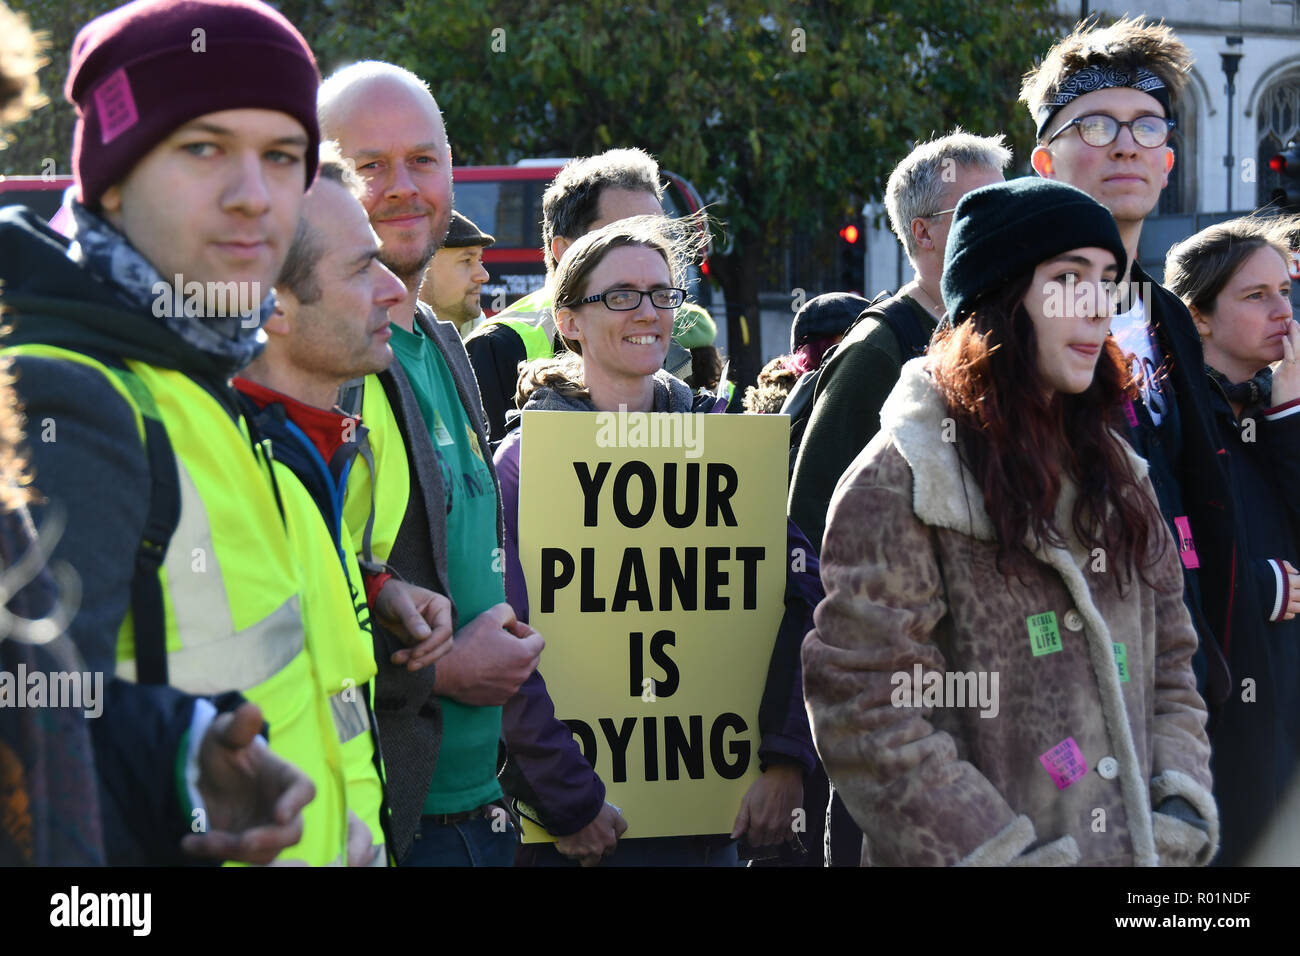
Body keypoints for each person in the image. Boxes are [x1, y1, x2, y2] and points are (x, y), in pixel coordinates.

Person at [0, 0, 374, 866]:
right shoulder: (67, 394)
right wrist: (180, 768)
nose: (254, 196)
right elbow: (33, 765)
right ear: (114, 178)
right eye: (202, 148)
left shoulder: (193, 371)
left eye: (282, 157)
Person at [802, 178, 1217, 866]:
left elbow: (1172, 659)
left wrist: (1176, 804)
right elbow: (867, 712)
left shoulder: (1118, 470)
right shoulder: (904, 477)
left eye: (1108, 280)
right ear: (1000, 297)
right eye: (1067, 279)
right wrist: (999, 855)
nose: (1098, 306)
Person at [494, 214, 819, 866]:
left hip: (708, 826)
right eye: (620, 295)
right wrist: (570, 800)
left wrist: (785, 760)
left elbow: (804, 595)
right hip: (572, 837)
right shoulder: (523, 463)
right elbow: (501, 642)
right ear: (568, 321)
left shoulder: (722, 450)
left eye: (662, 294)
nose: (647, 312)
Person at [319, 60, 543, 866]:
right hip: (389, 822)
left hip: (483, 807)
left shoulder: (444, 343)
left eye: (421, 160)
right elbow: (293, 598)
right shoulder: (322, 360)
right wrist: (443, 671)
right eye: (367, 166)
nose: (401, 187)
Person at [234, 146, 459, 863]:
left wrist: (375, 584)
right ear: (273, 307)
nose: (395, 291)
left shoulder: (309, 449)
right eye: (363, 268)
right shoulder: (230, 468)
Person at [1021, 15, 1237, 707]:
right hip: (1060, 704)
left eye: (1147, 127)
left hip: (1180, 693)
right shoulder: (1012, 314)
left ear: (1168, 162)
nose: (1125, 146)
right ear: (1045, 162)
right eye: (1095, 126)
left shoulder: (1171, 318)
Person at [790, 131, 1009, 553]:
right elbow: (810, 522)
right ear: (923, 233)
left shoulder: (1000, 334)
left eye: (1008, 207)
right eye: (979, 212)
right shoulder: (875, 349)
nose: (1005, 227)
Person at [1165, 215, 1300, 864]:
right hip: (1224, 730)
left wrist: (1288, 418)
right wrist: (1254, 584)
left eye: (1286, 291)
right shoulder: (1180, 420)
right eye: (1257, 296)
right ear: (1199, 318)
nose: (1284, 311)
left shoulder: (1275, 406)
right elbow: (1178, 558)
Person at [464, 147, 705, 441]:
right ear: (565, 252)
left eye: (656, 235)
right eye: (621, 236)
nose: (645, 251)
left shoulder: (662, 326)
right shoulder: (495, 347)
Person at [418, 210, 494, 339]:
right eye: (466, 260)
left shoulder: (485, 341)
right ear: (420, 267)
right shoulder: (383, 347)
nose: (484, 276)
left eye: (480, 260)